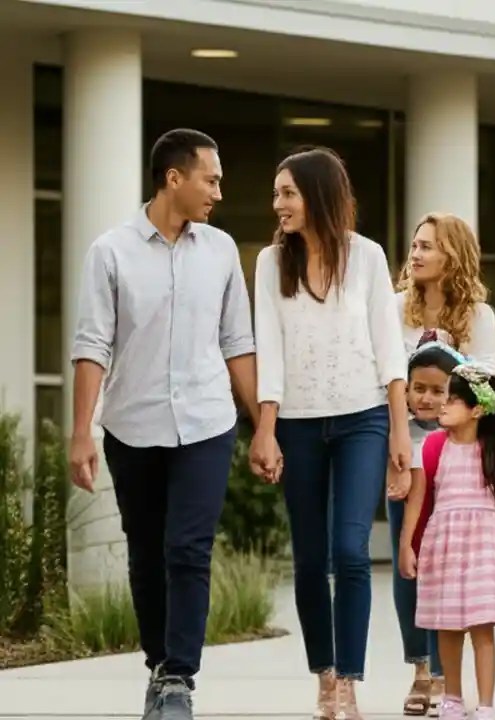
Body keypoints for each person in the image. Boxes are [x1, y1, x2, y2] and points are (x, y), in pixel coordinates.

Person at [67, 128, 262, 720]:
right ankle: (159, 665)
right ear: (173, 178)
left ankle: (179, 676)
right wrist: (81, 432)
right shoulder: (110, 252)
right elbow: (92, 344)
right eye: (211, 179)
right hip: (133, 424)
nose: (219, 193)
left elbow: (237, 341)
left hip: (206, 421)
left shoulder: (222, 250)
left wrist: (264, 427)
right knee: (147, 550)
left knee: (188, 548)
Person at [249, 146, 412, 720]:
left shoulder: (366, 257)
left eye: (287, 192)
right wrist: (264, 431)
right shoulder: (271, 263)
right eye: (276, 194)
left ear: (317, 193)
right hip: (295, 423)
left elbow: (390, 352)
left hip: (363, 417)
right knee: (310, 556)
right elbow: (268, 348)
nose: (278, 204)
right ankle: (323, 672)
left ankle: (350, 678)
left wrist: (400, 433)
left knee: (350, 551)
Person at [398, 362, 495, 720]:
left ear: (477, 409)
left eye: (452, 399)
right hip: (445, 543)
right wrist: (407, 545)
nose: (443, 405)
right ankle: (451, 696)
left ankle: (485, 704)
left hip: (485, 542)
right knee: (448, 625)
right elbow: (418, 499)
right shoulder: (433, 446)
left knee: (482, 626)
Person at [393, 340, 467, 716]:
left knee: (445, 590)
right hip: (407, 516)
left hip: (446, 517)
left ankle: (443, 674)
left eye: (438, 391)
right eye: (418, 388)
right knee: (407, 581)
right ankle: (420, 669)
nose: (426, 398)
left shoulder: (460, 432)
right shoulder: (399, 430)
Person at [396, 212, 495, 372]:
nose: (415, 255)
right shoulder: (395, 306)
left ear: (452, 257)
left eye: (426, 247)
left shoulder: (480, 315)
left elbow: (486, 379)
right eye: (414, 246)